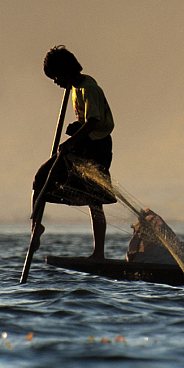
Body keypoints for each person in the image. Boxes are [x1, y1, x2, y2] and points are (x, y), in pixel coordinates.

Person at [30, 45, 118, 257]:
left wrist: (71, 141)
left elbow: (93, 122)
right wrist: (75, 128)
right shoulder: (75, 88)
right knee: (40, 179)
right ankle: (36, 227)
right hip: (83, 142)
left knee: (94, 199)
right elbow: (85, 121)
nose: (56, 82)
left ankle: (99, 253)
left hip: (96, 147)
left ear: (67, 71)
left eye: (57, 76)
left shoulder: (89, 88)